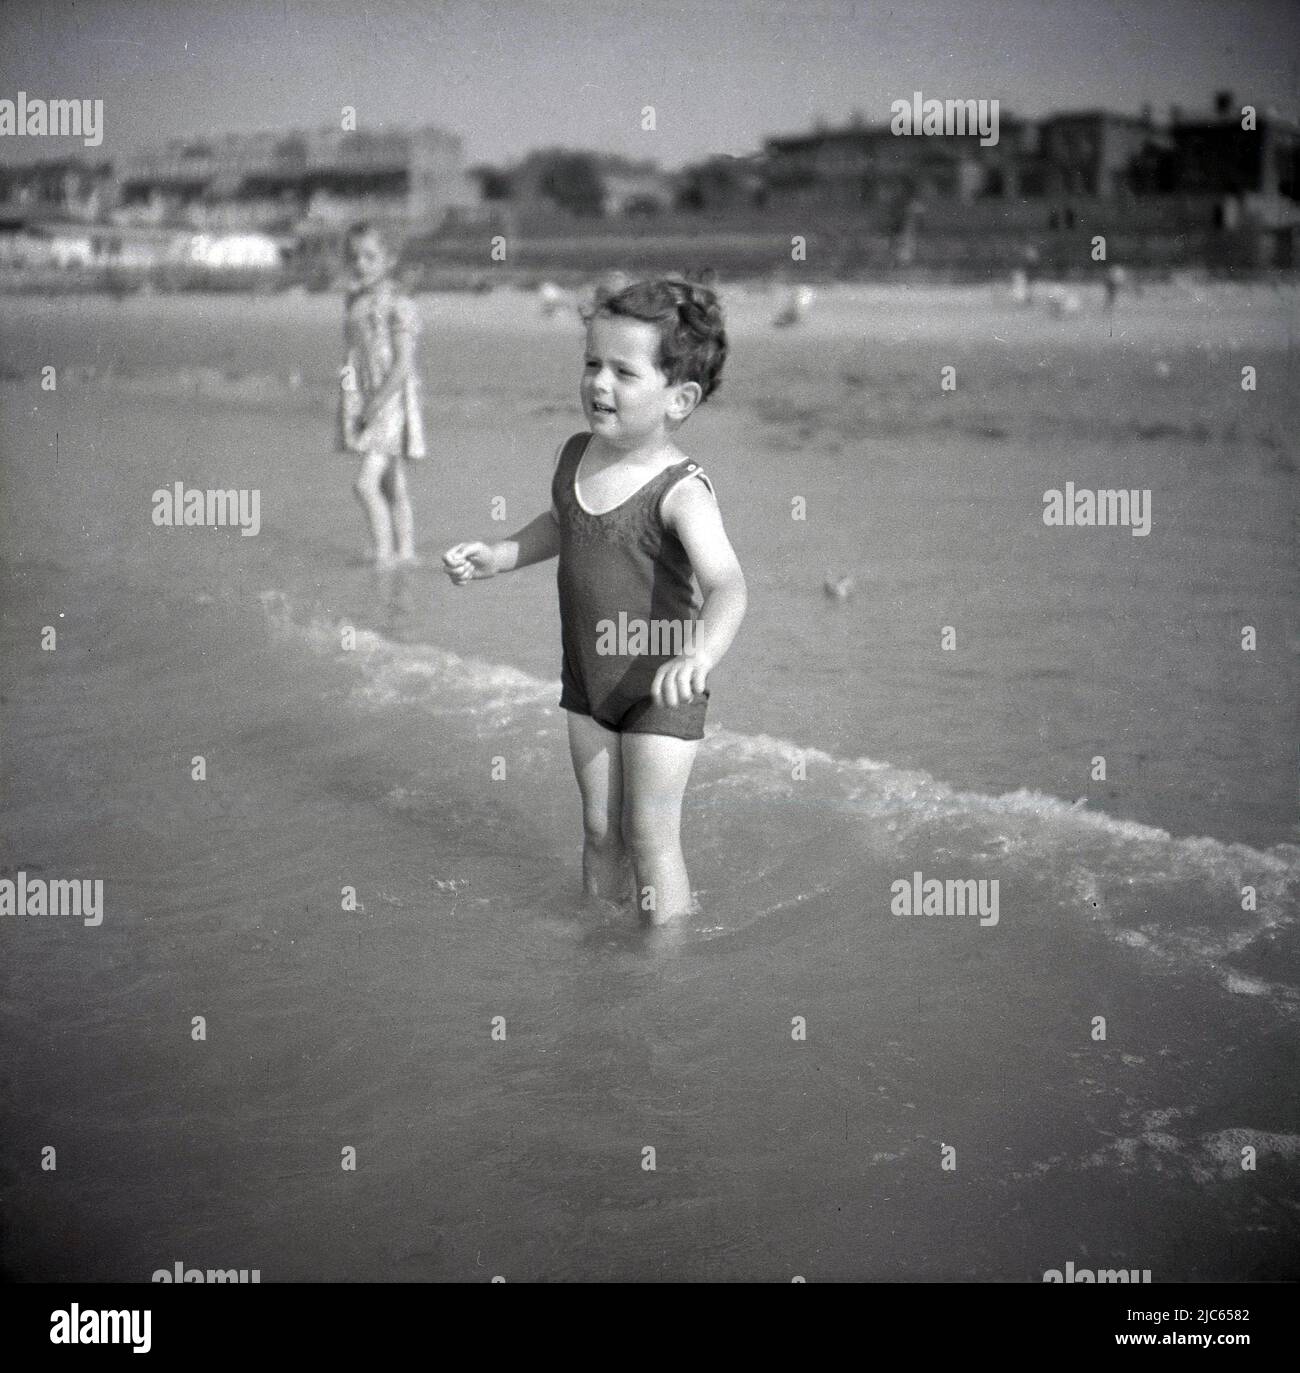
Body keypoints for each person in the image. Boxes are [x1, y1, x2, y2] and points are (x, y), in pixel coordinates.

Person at [442, 278, 747, 923]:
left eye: (623, 372)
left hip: (661, 686)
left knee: (649, 834)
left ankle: (664, 962)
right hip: (588, 679)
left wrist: (699, 656)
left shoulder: (681, 489)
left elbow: (727, 585)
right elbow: (563, 523)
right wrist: (500, 555)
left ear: (679, 398)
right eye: (591, 364)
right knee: (599, 829)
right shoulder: (576, 454)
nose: (598, 383)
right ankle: (598, 949)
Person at [338, 222, 425, 566]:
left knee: (364, 484)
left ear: (389, 260)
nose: (361, 264)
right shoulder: (355, 300)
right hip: (365, 394)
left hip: (390, 401)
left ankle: (384, 554)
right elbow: (355, 353)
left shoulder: (399, 304)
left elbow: (403, 363)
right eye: (355, 256)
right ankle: (406, 552)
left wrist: (374, 405)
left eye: (370, 257)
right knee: (393, 484)